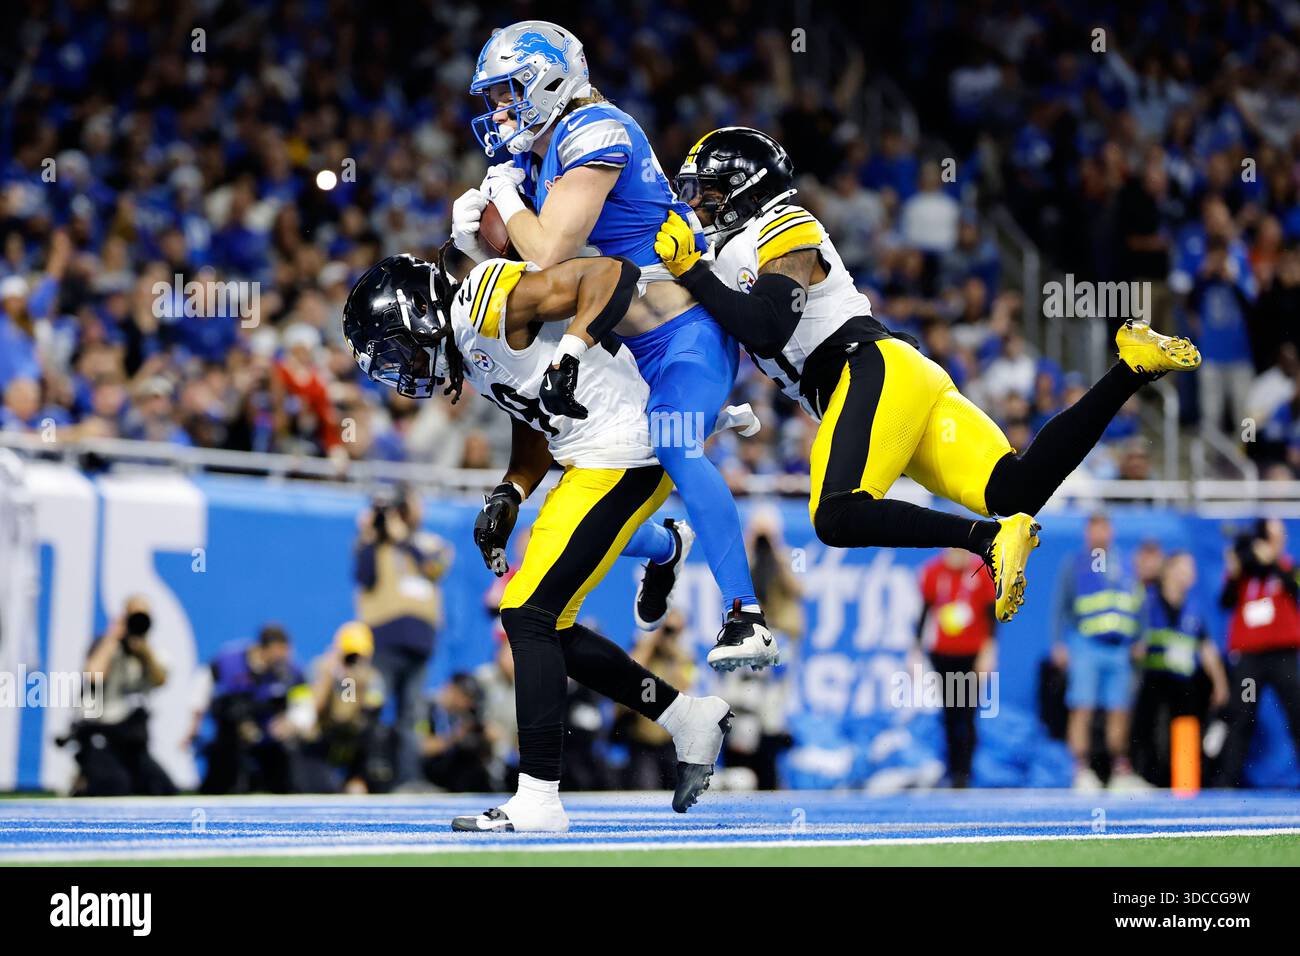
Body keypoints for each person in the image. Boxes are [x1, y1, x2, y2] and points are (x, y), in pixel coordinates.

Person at [653, 126, 1202, 622]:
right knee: (1017, 490)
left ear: (745, 192)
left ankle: (987, 541)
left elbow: (768, 326)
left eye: (709, 192)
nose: (697, 205)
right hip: (892, 380)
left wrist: (692, 273)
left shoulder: (786, 226)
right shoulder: (717, 254)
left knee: (837, 515)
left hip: (867, 368)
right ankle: (1132, 368)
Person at [343, 250, 734, 831]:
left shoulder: (488, 302)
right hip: (591, 459)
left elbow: (612, 274)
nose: (402, 372)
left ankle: (540, 799)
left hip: (629, 450)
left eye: (396, 351)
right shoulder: (473, 350)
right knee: (546, 625)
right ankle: (685, 717)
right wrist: (509, 493)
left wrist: (573, 348)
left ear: (420, 313)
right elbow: (530, 418)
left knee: (526, 612)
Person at [455, 20, 776, 672]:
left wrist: (503, 197)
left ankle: (747, 616)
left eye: (506, 91)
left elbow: (549, 249)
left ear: (549, 78)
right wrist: (477, 239)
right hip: (622, 351)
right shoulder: (543, 148)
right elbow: (535, 264)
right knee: (577, 497)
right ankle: (666, 548)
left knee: (675, 442)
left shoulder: (597, 130)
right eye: (491, 97)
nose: (497, 109)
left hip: (685, 332)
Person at [353, 485, 450, 785]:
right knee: (374, 707)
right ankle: (369, 778)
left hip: (420, 641)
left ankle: (409, 778)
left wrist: (403, 538)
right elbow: (363, 577)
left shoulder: (431, 542)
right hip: (383, 639)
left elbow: (434, 568)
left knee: (412, 715)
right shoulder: (373, 545)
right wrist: (370, 536)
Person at [1052, 514, 1146, 790]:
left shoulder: (1128, 565)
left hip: (1119, 649)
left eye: (1103, 528)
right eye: (1094, 529)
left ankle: (1119, 769)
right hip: (1087, 645)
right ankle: (1080, 769)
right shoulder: (1075, 565)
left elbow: (1139, 603)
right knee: (1083, 706)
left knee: (1119, 708)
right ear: (1086, 533)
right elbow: (1060, 606)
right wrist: (1059, 642)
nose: (1099, 534)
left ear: (1111, 530)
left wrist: (1140, 635)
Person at [1131, 552, 1229, 786]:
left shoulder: (1193, 609)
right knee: (1149, 728)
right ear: (1169, 571)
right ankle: (1146, 777)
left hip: (1183, 683)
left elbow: (1206, 647)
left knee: (1187, 725)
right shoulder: (1147, 602)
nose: (1191, 574)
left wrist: (1220, 683)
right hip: (1152, 679)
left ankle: (1185, 779)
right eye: (1185, 567)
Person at [1215, 519, 1300, 787]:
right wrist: (1236, 569)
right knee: (1243, 713)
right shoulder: (1244, 573)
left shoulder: (1287, 567)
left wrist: (1272, 561)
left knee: (1296, 712)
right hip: (1250, 659)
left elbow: (1294, 587)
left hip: (1282, 656)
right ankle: (1228, 780)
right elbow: (1225, 601)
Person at [70, 596, 176, 796]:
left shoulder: (150, 652)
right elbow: (93, 674)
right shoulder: (106, 645)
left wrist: (144, 652)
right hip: (101, 732)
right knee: (115, 787)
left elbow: (160, 680)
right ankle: (81, 781)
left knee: (162, 788)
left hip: (130, 739)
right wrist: (114, 636)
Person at [917, 548, 998, 788]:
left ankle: (965, 771)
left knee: (968, 712)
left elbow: (990, 615)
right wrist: (915, 648)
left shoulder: (980, 571)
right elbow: (925, 612)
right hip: (943, 653)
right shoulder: (933, 572)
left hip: (971, 654)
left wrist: (988, 651)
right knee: (950, 713)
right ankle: (953, 770)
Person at [200, 624, 310, 794]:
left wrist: (291, 723)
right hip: (233, 740)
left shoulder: (293, 671)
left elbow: (303, 707)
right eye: (278, 654)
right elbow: (202, 689)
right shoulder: (228, 661)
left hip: (271, 740)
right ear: (263, 649)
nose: (282, 660)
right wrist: (194, 722)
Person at [309, 621, 387, 794]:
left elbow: (357, 715)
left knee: (376, 733)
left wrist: (356, 685)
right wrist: (329, 677)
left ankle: (358, 778)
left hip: (353, 737)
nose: (354, 661)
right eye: (349, 655)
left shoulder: (371, 678)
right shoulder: (321, 669)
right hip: (324, 736)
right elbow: (311, 713)